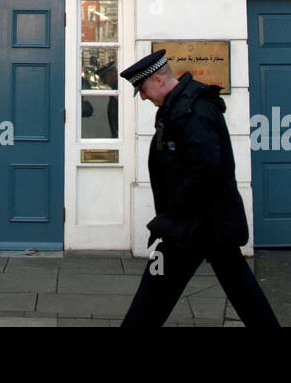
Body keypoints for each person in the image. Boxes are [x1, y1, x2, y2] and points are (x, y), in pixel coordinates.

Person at [119, 49, 280, 328]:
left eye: (143, 89)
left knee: (154, 290)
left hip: (194, 226)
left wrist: (172, 215)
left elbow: (204, 170)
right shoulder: (179, 107)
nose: (143, 97)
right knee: (241, 290)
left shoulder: (192, 111)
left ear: (158, 79)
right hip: (202, 225)